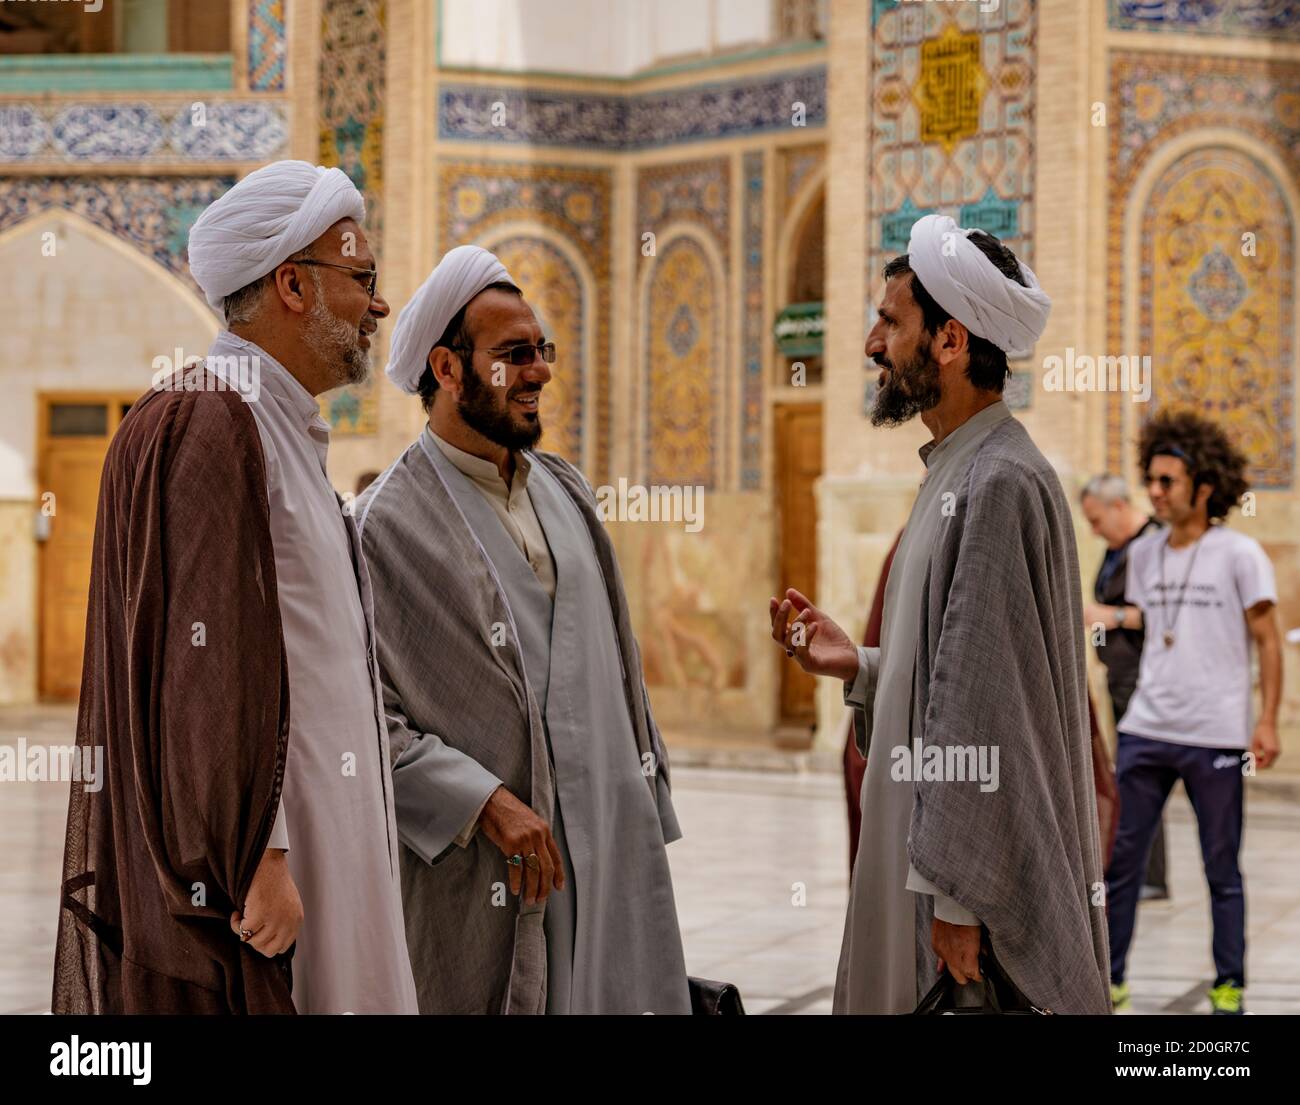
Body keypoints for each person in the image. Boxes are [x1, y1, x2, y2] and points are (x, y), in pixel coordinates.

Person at [52, 160, 418, 1014]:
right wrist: (261, 856)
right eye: (362, 279)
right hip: (271, 874)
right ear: (293, 284)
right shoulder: (214, 418)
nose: (379, 305)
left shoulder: (273, 422)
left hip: (328, 843)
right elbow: (194, 665)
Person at [769, 215, 1110, 1014]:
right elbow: (955, 674)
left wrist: (959, 898)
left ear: (950, 342)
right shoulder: (961, 466)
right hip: (930, 854)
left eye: (891, 322)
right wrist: (861, 664)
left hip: (954, 881)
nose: (869, 344)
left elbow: (988, 709)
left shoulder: (996, 480)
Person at [355, 245, 690, 1014]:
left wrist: (647, 799)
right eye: (513, 355)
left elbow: (618, 658)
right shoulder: (381, 526)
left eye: (542, 350)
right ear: (446, 368)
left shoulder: (565, 488)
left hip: (611, 844)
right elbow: (360, 716)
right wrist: (480, 800)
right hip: (490, 870)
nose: (539, 371)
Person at [1106, 410, 1282, 1016]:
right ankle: (1111, 978)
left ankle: (1229, 982)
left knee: (1221, 867)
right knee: (1120, 863)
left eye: (1166, 481)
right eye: (1150, 479)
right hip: (1145, 730)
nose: (1153, 491)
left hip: (1214, 733)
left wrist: (1266, 721)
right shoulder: (1145, 555)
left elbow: (1267, 638)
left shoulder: (1241, 554)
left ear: (1203, 487)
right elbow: (1149, 626)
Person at [1081, 474, 1167, 899]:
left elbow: (1157, 615)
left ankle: (1150, 876)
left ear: (1117, 506)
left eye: (1097, 520)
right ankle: (1138, 872)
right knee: (1130, 774)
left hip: (1142, 676)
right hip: (1119, 677)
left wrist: (1106, 616)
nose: (1094, 530)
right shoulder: (1116, 550)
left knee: (1141, 774)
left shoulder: (1152, 546)